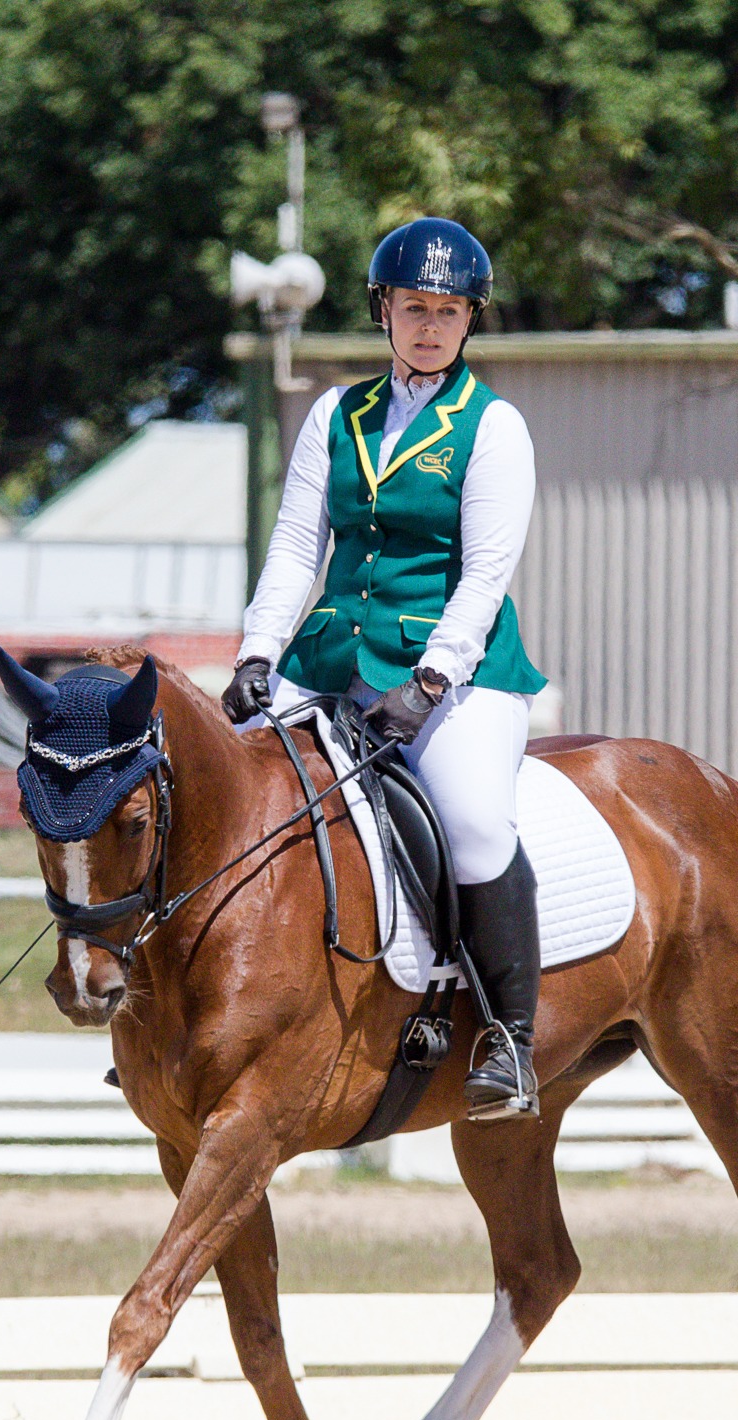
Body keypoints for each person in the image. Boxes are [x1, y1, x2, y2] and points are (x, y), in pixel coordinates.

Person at [222, 216, 547, 1119]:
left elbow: (484, 574)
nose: (431, 325)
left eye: (448, 310)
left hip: (456, 672)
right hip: (327, 654)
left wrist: (430, 683)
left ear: (468, 318)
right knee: (218, 781)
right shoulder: (337, 414)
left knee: (477, 823)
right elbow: (295, 546)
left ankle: (507, 1041)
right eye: (415, 308)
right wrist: (255, 651)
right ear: (384, 311)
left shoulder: (493, 427)